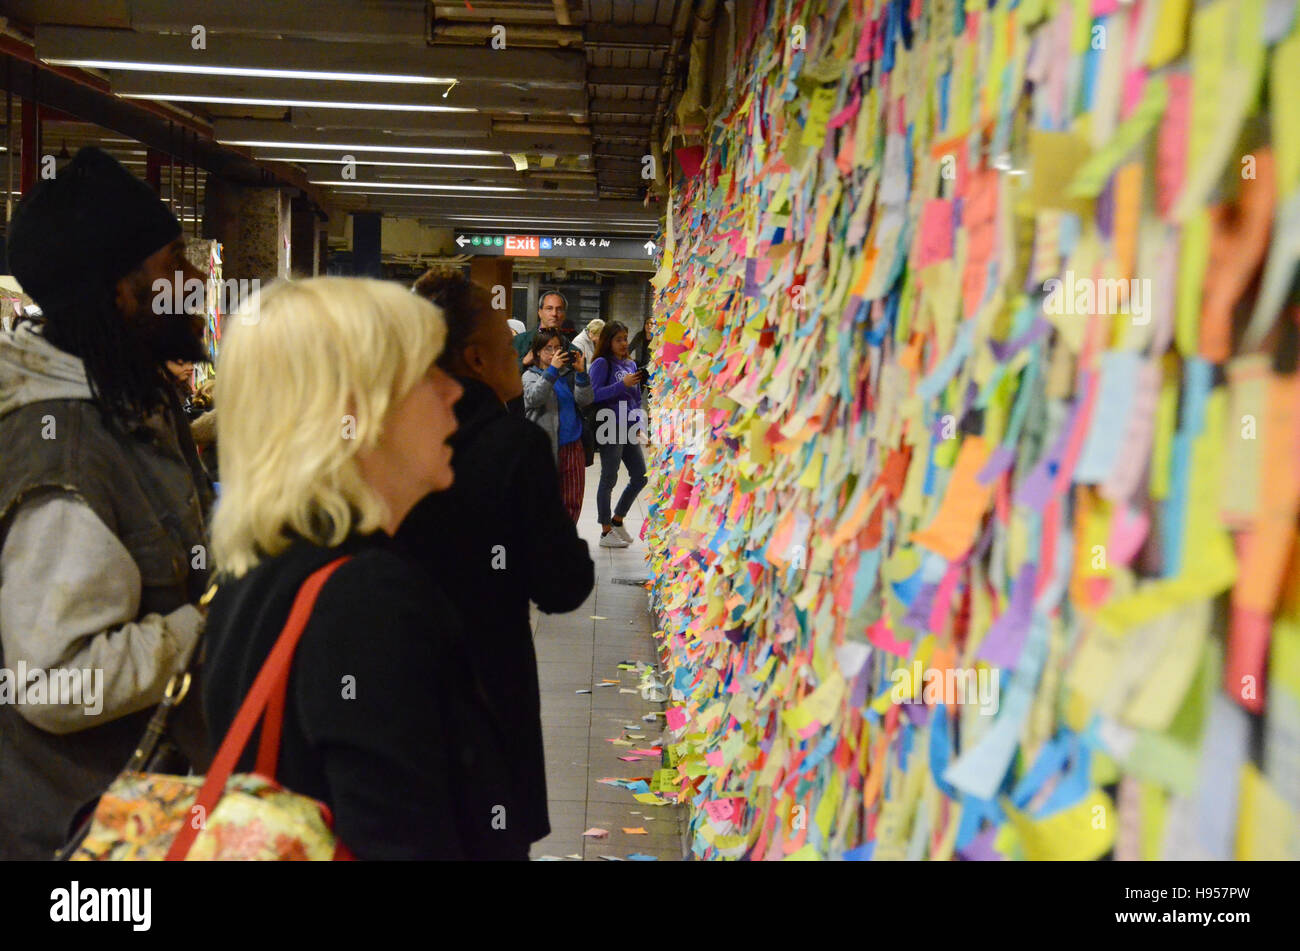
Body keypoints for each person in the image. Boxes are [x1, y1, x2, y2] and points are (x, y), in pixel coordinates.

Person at [205, 276, 521, 860]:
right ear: (360, 411)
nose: (455, 392)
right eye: (430, 373)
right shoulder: (366, 597)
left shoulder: (262, 561)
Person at [0, 146, 213, 859]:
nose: (196, 277)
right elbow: (52, 680)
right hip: (80, 843)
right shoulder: (65, 448)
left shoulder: (131, 398)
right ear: (121, 291)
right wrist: (204, 623)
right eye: (175, 261)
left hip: (141, 821)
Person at [399, 269, 594, 856]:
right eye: (499, 337)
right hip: (488, 693)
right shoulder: (511, 445)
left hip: (394, 699)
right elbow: (562, 585)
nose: (517, 352)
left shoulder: (380, 439)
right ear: (477, 357)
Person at [588, 320, 649, 548]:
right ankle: (605, 531)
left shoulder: (630, 364)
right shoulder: (602, 363)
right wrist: (620, 385)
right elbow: (592, 395)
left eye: (625, 338)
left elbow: (634, 397)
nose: (624, 343)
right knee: (609, 478)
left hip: (629, 425)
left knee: (640, 476)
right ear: (608, 341)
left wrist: (639, 424)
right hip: (609, 424)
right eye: (618, 339)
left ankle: (617, 519)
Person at [523, 328, 593, 522]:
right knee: (543, 501)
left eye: (557, 347)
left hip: (573, 447)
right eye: (548, 348)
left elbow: (586, 401)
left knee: (572, 501)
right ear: (537, 351)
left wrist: (581, 374)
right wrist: (551, 370)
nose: (554, 353)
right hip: (543, 450)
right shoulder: (530, 376)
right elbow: (534, 398)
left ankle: (563, 545)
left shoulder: (567, 375)